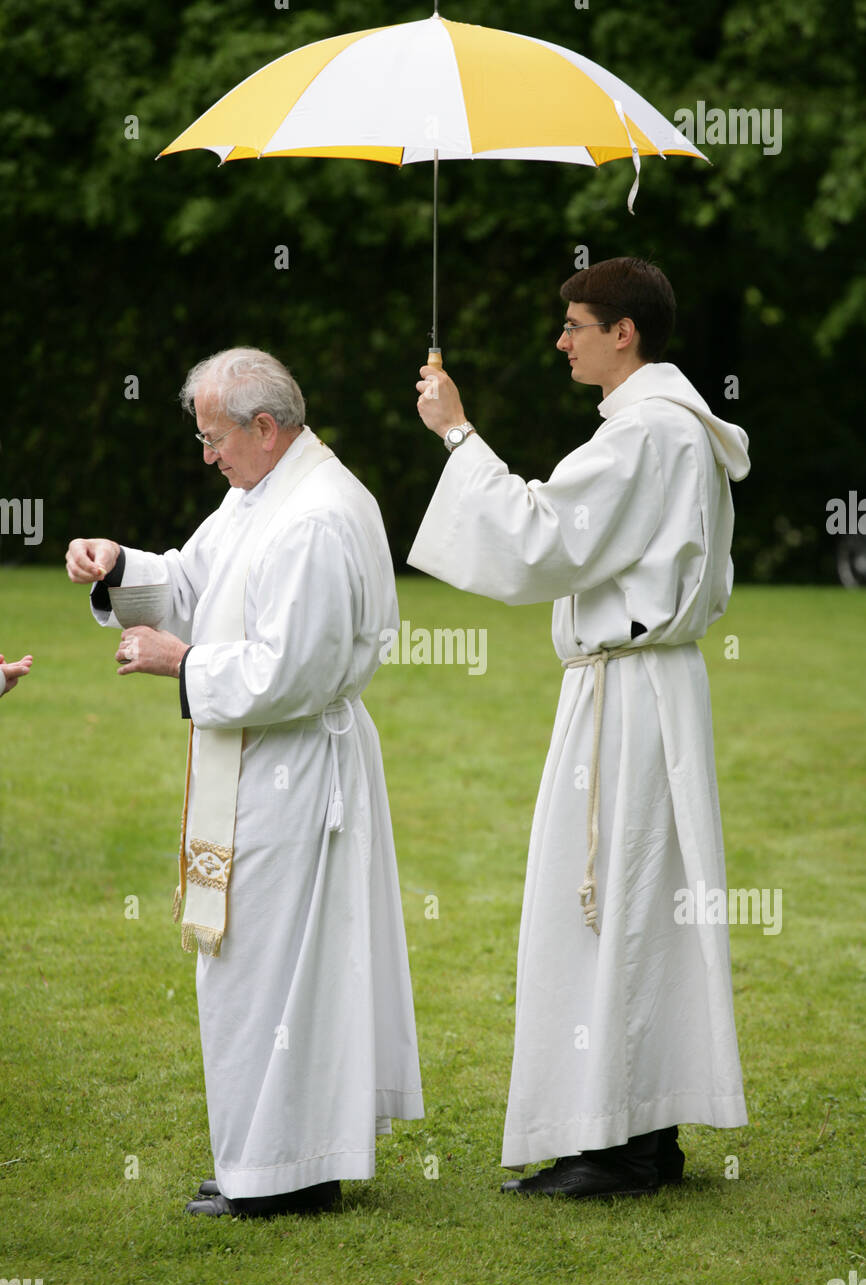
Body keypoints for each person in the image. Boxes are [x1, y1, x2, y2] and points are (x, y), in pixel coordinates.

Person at [408, 257, 749, 1198]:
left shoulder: (645, 435)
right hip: (641, 691)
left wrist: (457, 433)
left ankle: (623, 1145)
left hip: (629, 698)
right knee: (637, 902)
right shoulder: (668, 429)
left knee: (610, 903)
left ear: (624, 333)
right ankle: (638, 1130)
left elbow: (541, 538)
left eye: (576, 325)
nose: (562, 341)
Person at [66, 347, 423, 1217]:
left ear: (265, 427)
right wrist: (121, 566)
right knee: (252, 965)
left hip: (295, 768)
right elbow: (194, 580)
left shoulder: (315, 514)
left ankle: (282, 1175)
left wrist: (181, 664)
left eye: (214, 436)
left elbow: (292, 669)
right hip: (263, 763)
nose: (206, 454)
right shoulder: (262, 494)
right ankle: (271, 1157)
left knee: (270, 967)